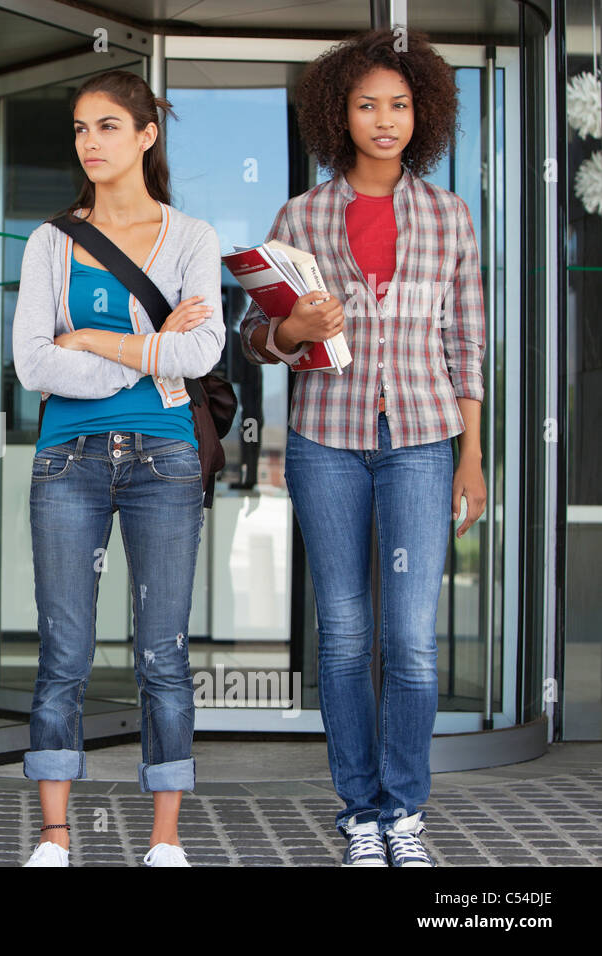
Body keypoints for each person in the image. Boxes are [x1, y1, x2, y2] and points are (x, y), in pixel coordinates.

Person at [240, 29, 487, 867]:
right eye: (367, 105)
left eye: (400, 105)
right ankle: (361, 812)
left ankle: (405, 810)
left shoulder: (450, 218)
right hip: (325, 441)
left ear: (423, 114)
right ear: (337, 115)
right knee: (344, 634)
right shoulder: (301, 216)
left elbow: (468, 346)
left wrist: (473, 456)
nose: (385, 120)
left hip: (421, 440)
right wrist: (287, 329)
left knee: (411, 641)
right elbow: (255, 336)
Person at [12, 69, 224, 867]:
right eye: (78, 128)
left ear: (145, 135)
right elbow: (32, 363)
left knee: (163, 651)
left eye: (107, 126)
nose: (90, 142)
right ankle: (56, 835)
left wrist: (94, 343)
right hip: (67, 458)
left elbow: (203, 351)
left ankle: (164, 838)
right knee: (64, 650)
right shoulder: (49, 241)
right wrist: (145, 353)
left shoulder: (192, 237)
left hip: (165, 458)